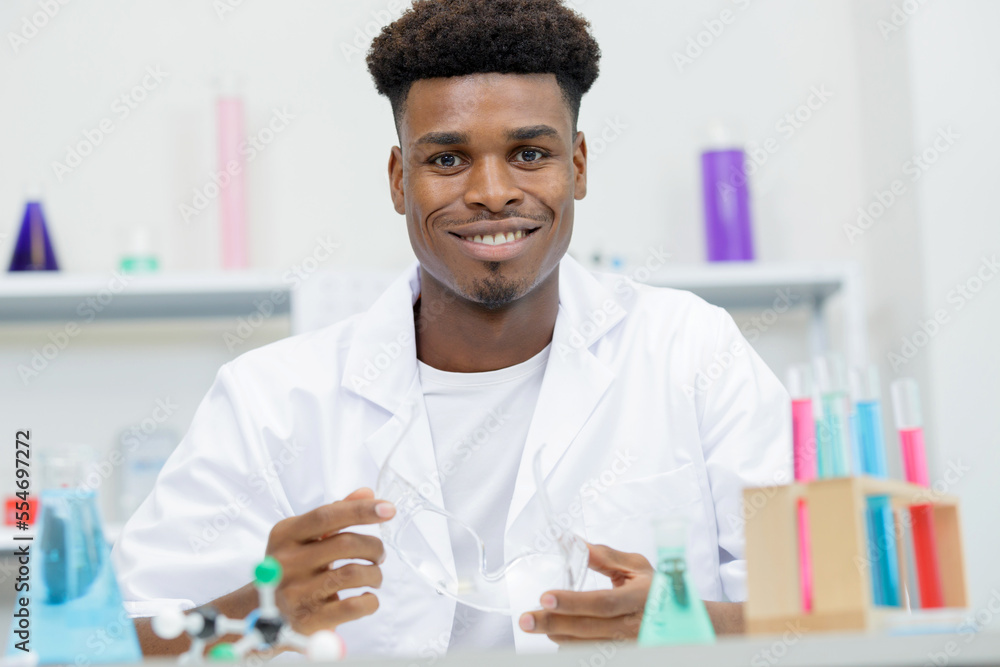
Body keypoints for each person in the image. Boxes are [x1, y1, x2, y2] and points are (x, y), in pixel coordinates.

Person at [113, 0, 791, 657]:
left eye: (529, 153)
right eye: (446, 159)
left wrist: (687, 623)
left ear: (578, 165)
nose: (492, 191)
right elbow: (98, 645)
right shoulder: (271, 399)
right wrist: (258, 607)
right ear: (398, 179)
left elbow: (830, 614)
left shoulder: (692, 352)